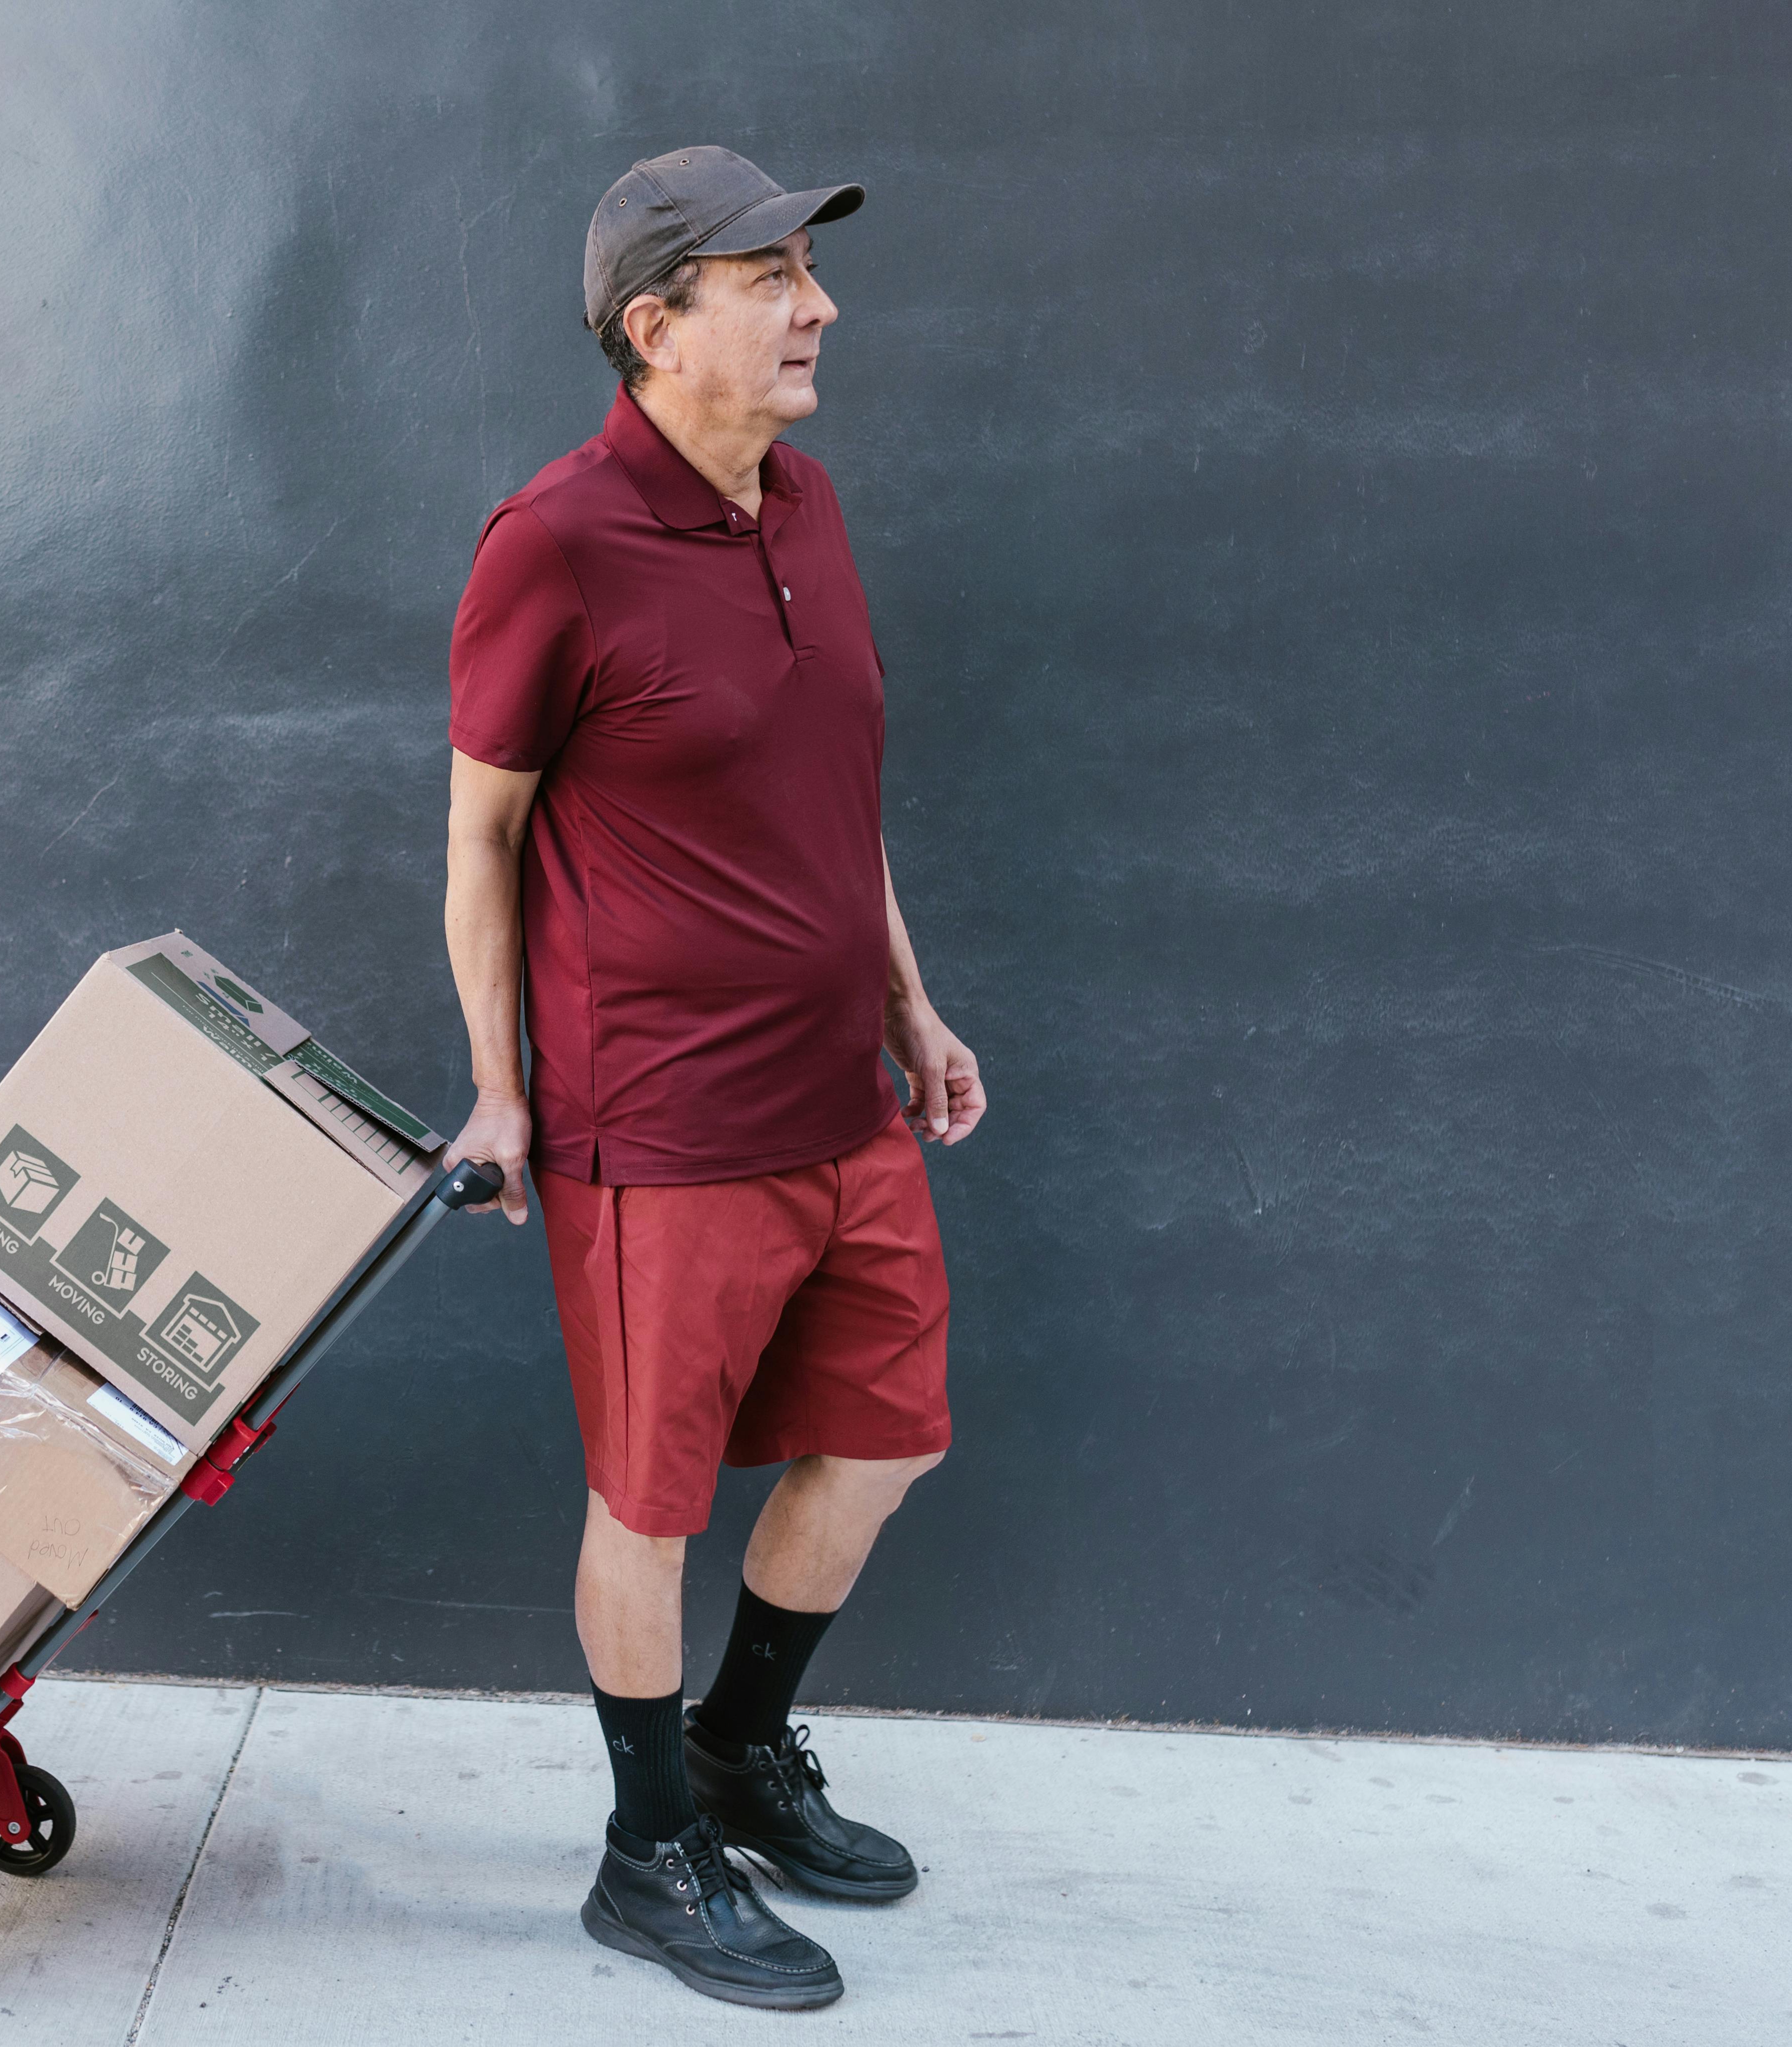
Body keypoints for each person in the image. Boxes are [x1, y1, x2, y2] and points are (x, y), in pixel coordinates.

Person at [441, 144, 986, 2011]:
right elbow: (481, 840)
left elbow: (834, 797)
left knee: (888, 1437)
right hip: (655, 1127)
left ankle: (741, 1754)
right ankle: (642, 1846)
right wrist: (501, 1090)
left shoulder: (805, 505)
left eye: (805, 272)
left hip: (844, 1100)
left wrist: (909, 1003)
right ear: (655, 328)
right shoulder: (556, 540)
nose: (815, 304)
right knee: (650, 1501)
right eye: (767, 278)